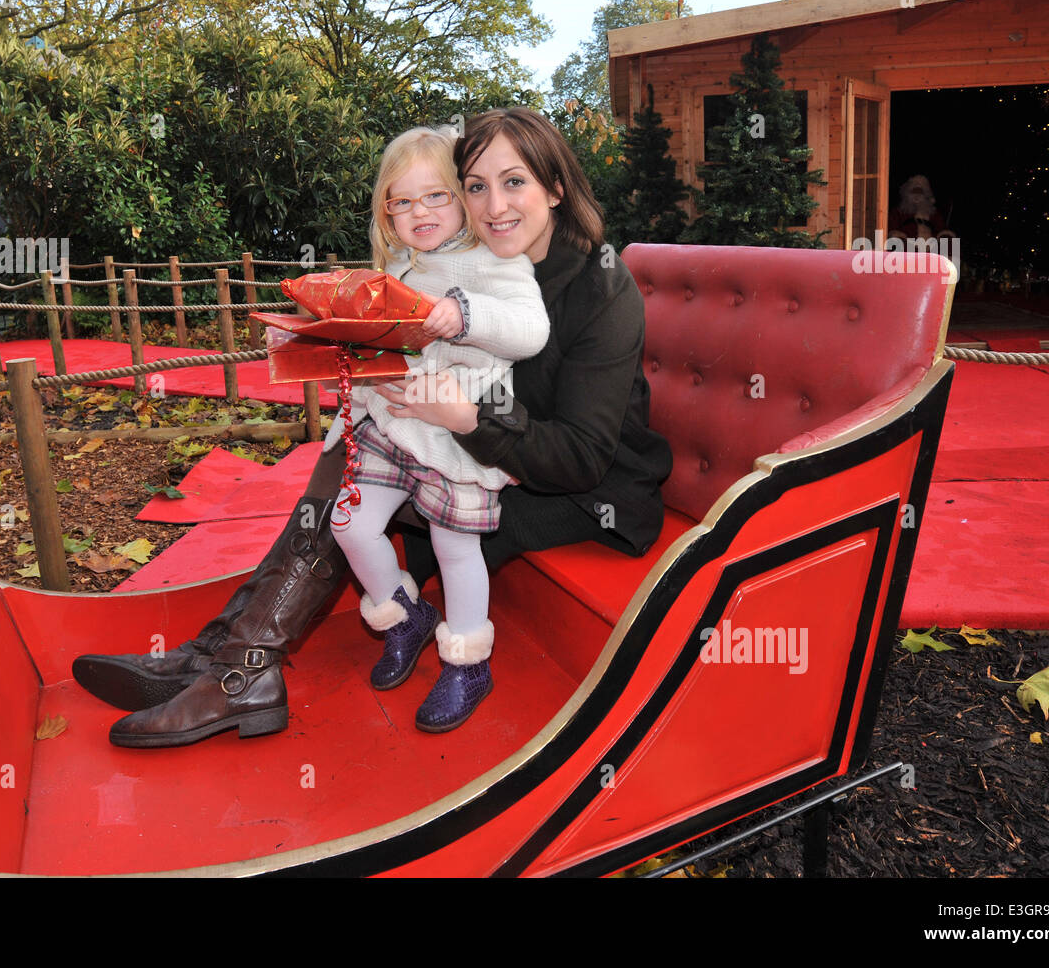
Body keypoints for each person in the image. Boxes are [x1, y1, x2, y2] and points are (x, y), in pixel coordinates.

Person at [74, 107, 674, 748]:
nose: (494, 205)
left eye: (515, 182)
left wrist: (466, 416)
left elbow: (579, 457)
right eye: (475, 186)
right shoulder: (456, 263)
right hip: (474, 452)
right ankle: (226, 657)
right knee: (351, 458)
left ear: (556, 188)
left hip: (578, 494)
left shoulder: (599, 287)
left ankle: (235, 666)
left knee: (357, 473)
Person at [330, 126, 549, 732]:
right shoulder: (399, 265)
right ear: (386, 214)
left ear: (461, 196)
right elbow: (371, 334)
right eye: (400, 202)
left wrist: (465, 315)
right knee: (348, 521)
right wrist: (314, 335)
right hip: (395, 422)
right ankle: (405, 617)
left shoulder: (493, 261)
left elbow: (531, 331)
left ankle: (468, 661)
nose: (417, 212)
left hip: (457, 433)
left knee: (455, 546)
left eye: (434, 196)